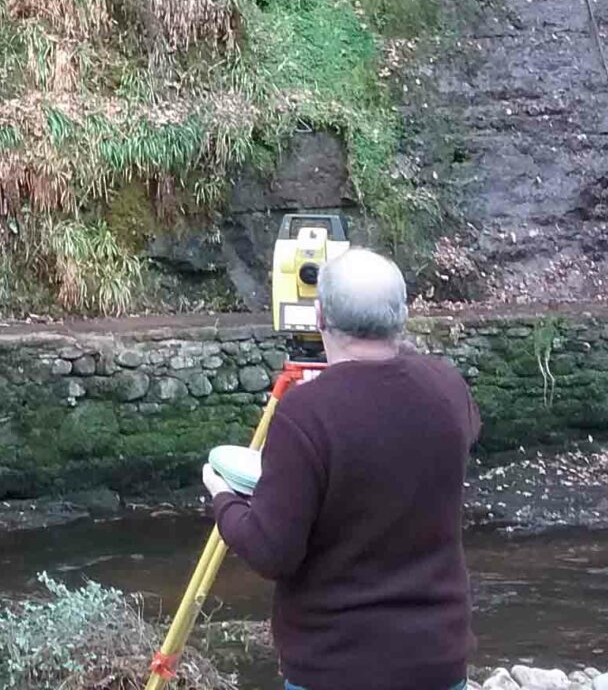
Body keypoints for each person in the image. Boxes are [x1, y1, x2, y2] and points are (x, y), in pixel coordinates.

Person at [202, 249, 480, 690]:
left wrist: (223, 498)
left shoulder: (305, 414)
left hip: (334, 668)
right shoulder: (448, 388)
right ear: (403, 315)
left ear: (318, 315)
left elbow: (273, 551)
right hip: (437, 661)